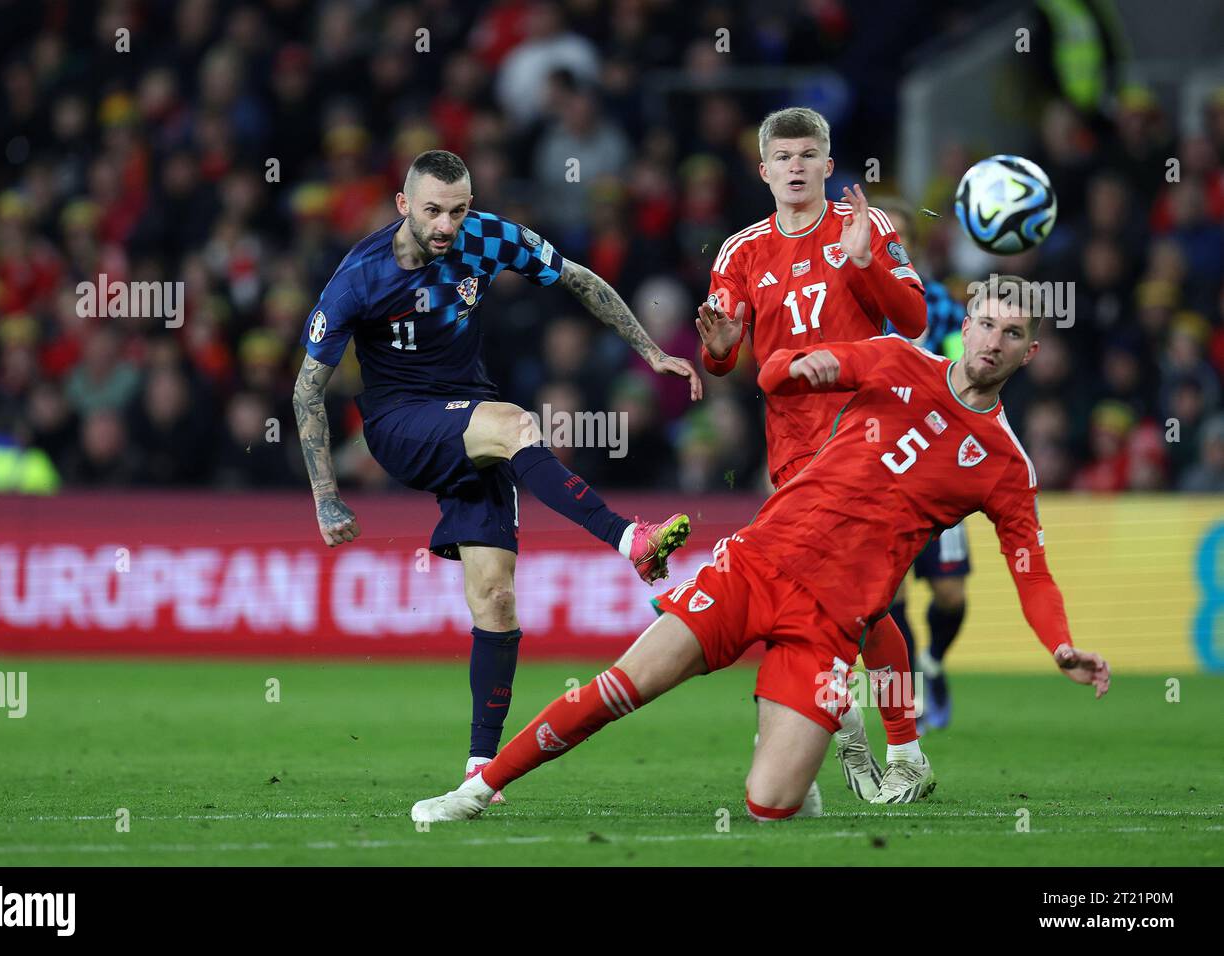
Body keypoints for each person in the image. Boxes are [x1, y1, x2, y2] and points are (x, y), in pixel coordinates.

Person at [411, 275, 1109, 823]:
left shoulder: (1006, 465)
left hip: (828, 624)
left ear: (1029, 353)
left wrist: (1061, 645)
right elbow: (777, 373)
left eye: (1010, 333)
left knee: (768, 805)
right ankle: (476, 788)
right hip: (756, 565)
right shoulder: (897, 360)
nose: (992, 340)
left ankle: (826, 716)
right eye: (984, 323)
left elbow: (1032, 572)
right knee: (622, 689)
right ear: (969, 324)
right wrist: (791, 368)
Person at [294, 149, 700, 800]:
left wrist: (650, 350)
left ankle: (479, 771)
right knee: (516, 424)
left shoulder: (486, 237)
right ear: (404, 206)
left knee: (496, 599)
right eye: (432, 210)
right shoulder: (358, 277)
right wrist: (326, 497)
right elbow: (305, 394)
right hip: (400, 424)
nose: (447, 224)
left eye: (458, 209)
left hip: (467, 422)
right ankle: (629, 540)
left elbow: (577, 280)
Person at [693, 106, 931, 803]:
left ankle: (873, 742)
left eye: (808, 155)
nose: (795, 166)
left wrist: (866, 266)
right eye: (783, 156)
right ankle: (843, 735)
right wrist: (715, 344)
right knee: (812, 606)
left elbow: (914, 322)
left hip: (867, 444)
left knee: (864, 605)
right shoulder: (740, 251)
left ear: (829, 166)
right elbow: (724, 357)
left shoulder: (869, 227)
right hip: (793, 456)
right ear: (763, 169)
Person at [881, 199, 973, 731]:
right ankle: (910, 691)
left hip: (937, 467)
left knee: (950, 593)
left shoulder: (938, 304)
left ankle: (935, 662)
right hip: (879, 470)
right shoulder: (854, 300)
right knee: (888, 595)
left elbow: (966, 369)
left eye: (899, 236)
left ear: (911, 245)